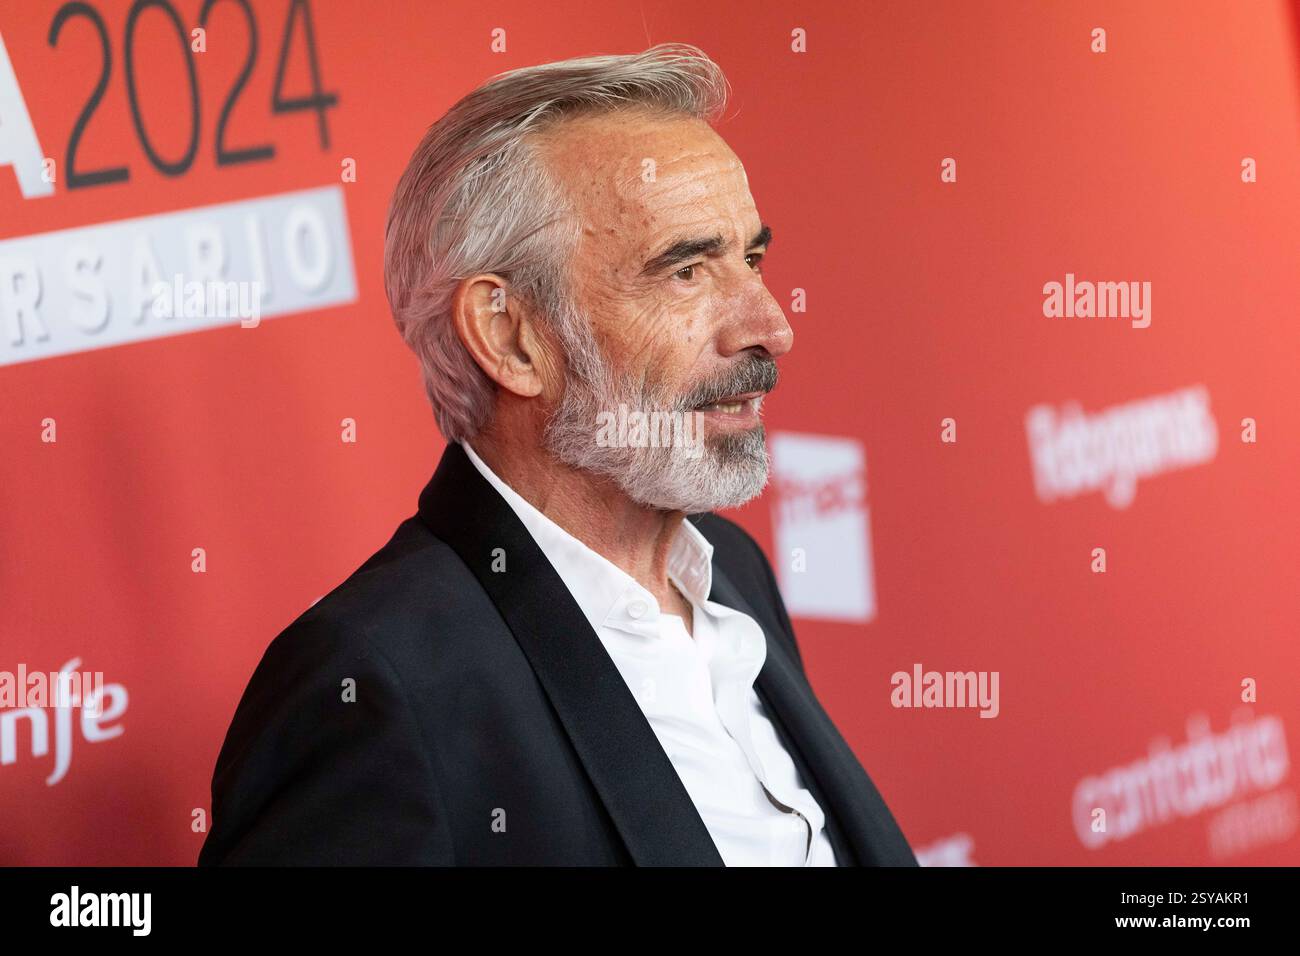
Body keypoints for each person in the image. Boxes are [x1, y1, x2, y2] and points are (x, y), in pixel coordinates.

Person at [199, 43, 916, 867]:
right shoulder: (373, 684)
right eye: (685, 271)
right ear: (510, 338)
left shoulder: (733, 573)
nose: (770, 325)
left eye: (749, 258)